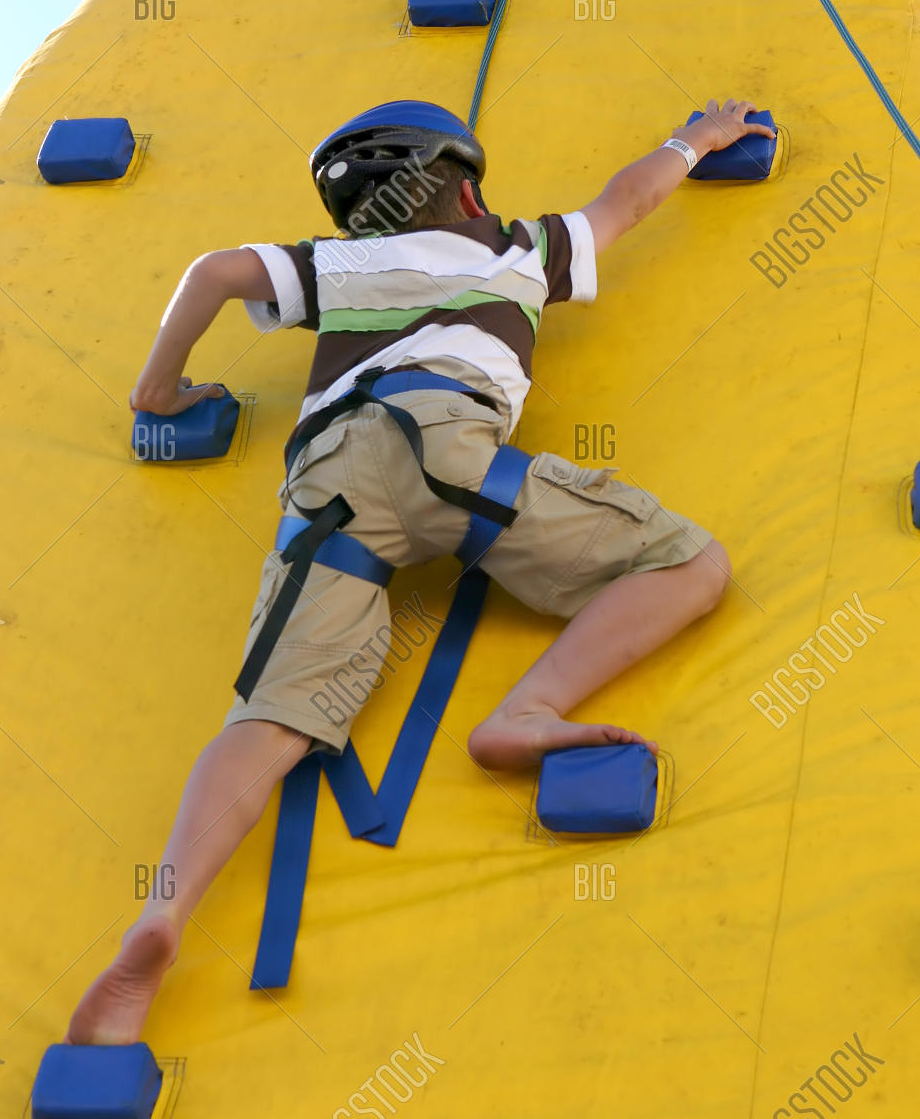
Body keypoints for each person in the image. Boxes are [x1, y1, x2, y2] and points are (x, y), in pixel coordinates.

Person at [66, 95, 775, 1046]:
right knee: (687, 565)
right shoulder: (517, 249)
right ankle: (527, 709)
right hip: (447, 444)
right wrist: (695, 140)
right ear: (471, 191)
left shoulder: (339, 263)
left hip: (326, 489)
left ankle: (164, 912)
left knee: (270, 717)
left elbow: (214, 272)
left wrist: (157, 390)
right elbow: (628, 203)